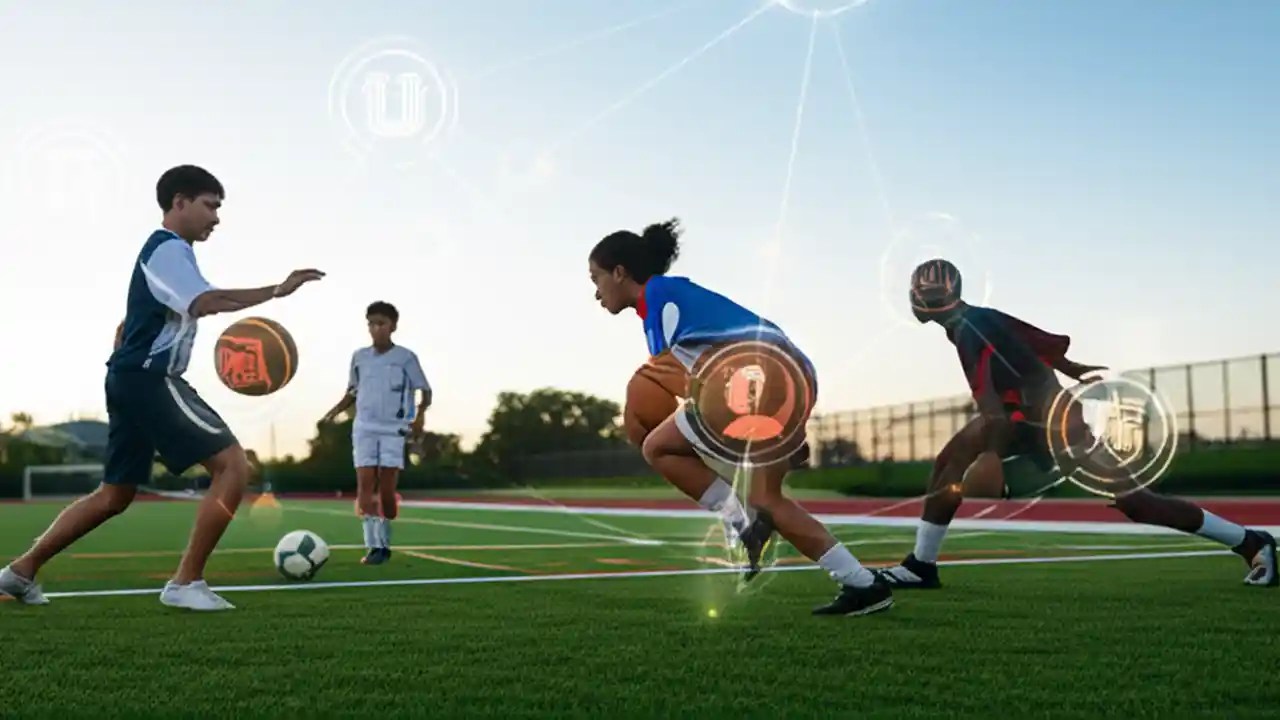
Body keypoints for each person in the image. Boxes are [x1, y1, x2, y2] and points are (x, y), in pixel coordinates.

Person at [0, 164, 324, 610]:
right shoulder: (168, 249)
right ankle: (185, 582)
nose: (216, 218)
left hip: (129, 377)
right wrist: (276, 290)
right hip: (150, 379)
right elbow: (206, 302)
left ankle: (20, 572)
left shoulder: (164, 256)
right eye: (211, 206)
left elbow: (144, 315)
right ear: (180, 202)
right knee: (232, 466)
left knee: (115, 495)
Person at [874, 258, 1277, 589]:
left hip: (1038, 423)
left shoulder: (966, 331)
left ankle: (922, 566)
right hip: (1052, 419)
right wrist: (1067, 366)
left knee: (954, 461)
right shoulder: (979, 317)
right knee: (1136, 503)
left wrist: (993, 454)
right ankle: (1249, 543)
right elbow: (1031, 339)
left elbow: (992, 407)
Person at [589, 217, 893, 616]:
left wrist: (644, 414)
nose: (596, 293)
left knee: (657, 445)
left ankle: (740, 519)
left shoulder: (659, 297)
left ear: (619, 272)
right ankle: (862, 583)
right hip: (791, 373)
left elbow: (678, 379)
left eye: (595, 278)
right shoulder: (680, 296)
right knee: (767, 498)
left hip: (758, 376)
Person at [321, 301, 431, 565]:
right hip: (365, 428)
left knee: (386, 492)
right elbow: (352, 391)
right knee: (365, 484)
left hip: (393, 428)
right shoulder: (359, 357)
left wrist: (420, 416)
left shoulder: (406, 358)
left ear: (393, 326)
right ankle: (374, 547)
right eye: (371, 323)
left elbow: (425, 390)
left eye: (381, 323)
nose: (376, 329)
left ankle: (386, 535)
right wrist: (332, 413)